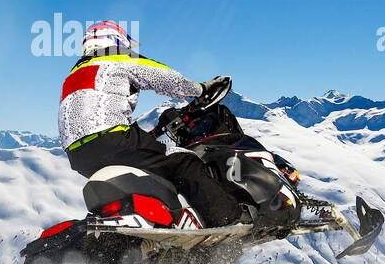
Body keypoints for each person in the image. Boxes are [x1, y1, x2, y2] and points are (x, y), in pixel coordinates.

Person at [57, 21, 245, 227]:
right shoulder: (115, 58)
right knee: (182, 161)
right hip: (112, 140)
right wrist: (202, 89)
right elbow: (164, 77)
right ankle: (227, 218)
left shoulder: (72, 75)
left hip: (79, 156)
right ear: (115, 40)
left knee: (149, 177)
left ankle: (164, 221)